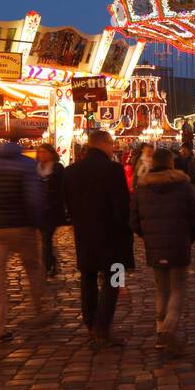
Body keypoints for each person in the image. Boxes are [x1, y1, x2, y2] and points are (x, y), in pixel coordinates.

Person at [64, 130, 133, 348]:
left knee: (88, 278)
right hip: (112, 236)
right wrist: (126, 229)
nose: (113, 147)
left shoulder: (71, 171)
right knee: (113, 280)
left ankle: (90, 322)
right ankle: (103, 325)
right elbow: (121, 206)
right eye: (112, 144)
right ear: (103, 144)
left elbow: (67, 203)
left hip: (84, 235)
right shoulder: (113, 170)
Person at [130, 147, 195, 356]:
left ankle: (161, 331)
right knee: (178, 288)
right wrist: (190, 237)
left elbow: (133, 219)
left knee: (161, 288)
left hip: (154, 244)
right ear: (171, 163)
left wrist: (147, 235)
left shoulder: (141, 187)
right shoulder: (183, 185)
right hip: (179, 241)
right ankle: (168, 328)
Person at [0, 141, 48, 342]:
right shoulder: (26, 164)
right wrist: (37, 222)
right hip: (21, 225)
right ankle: (40, 310)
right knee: (33, 268)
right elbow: (33, 197)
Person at [35, 143, 67, 277]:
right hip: (39, 208)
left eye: (44, 152)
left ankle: (48, 265)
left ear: (51, 153)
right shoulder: (35, 168)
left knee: (46, 237)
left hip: (53, 208)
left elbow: (63, 187)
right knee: (45, 238)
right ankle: (50, 262)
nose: (42, 154)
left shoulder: (58, 168)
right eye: (40, 152)